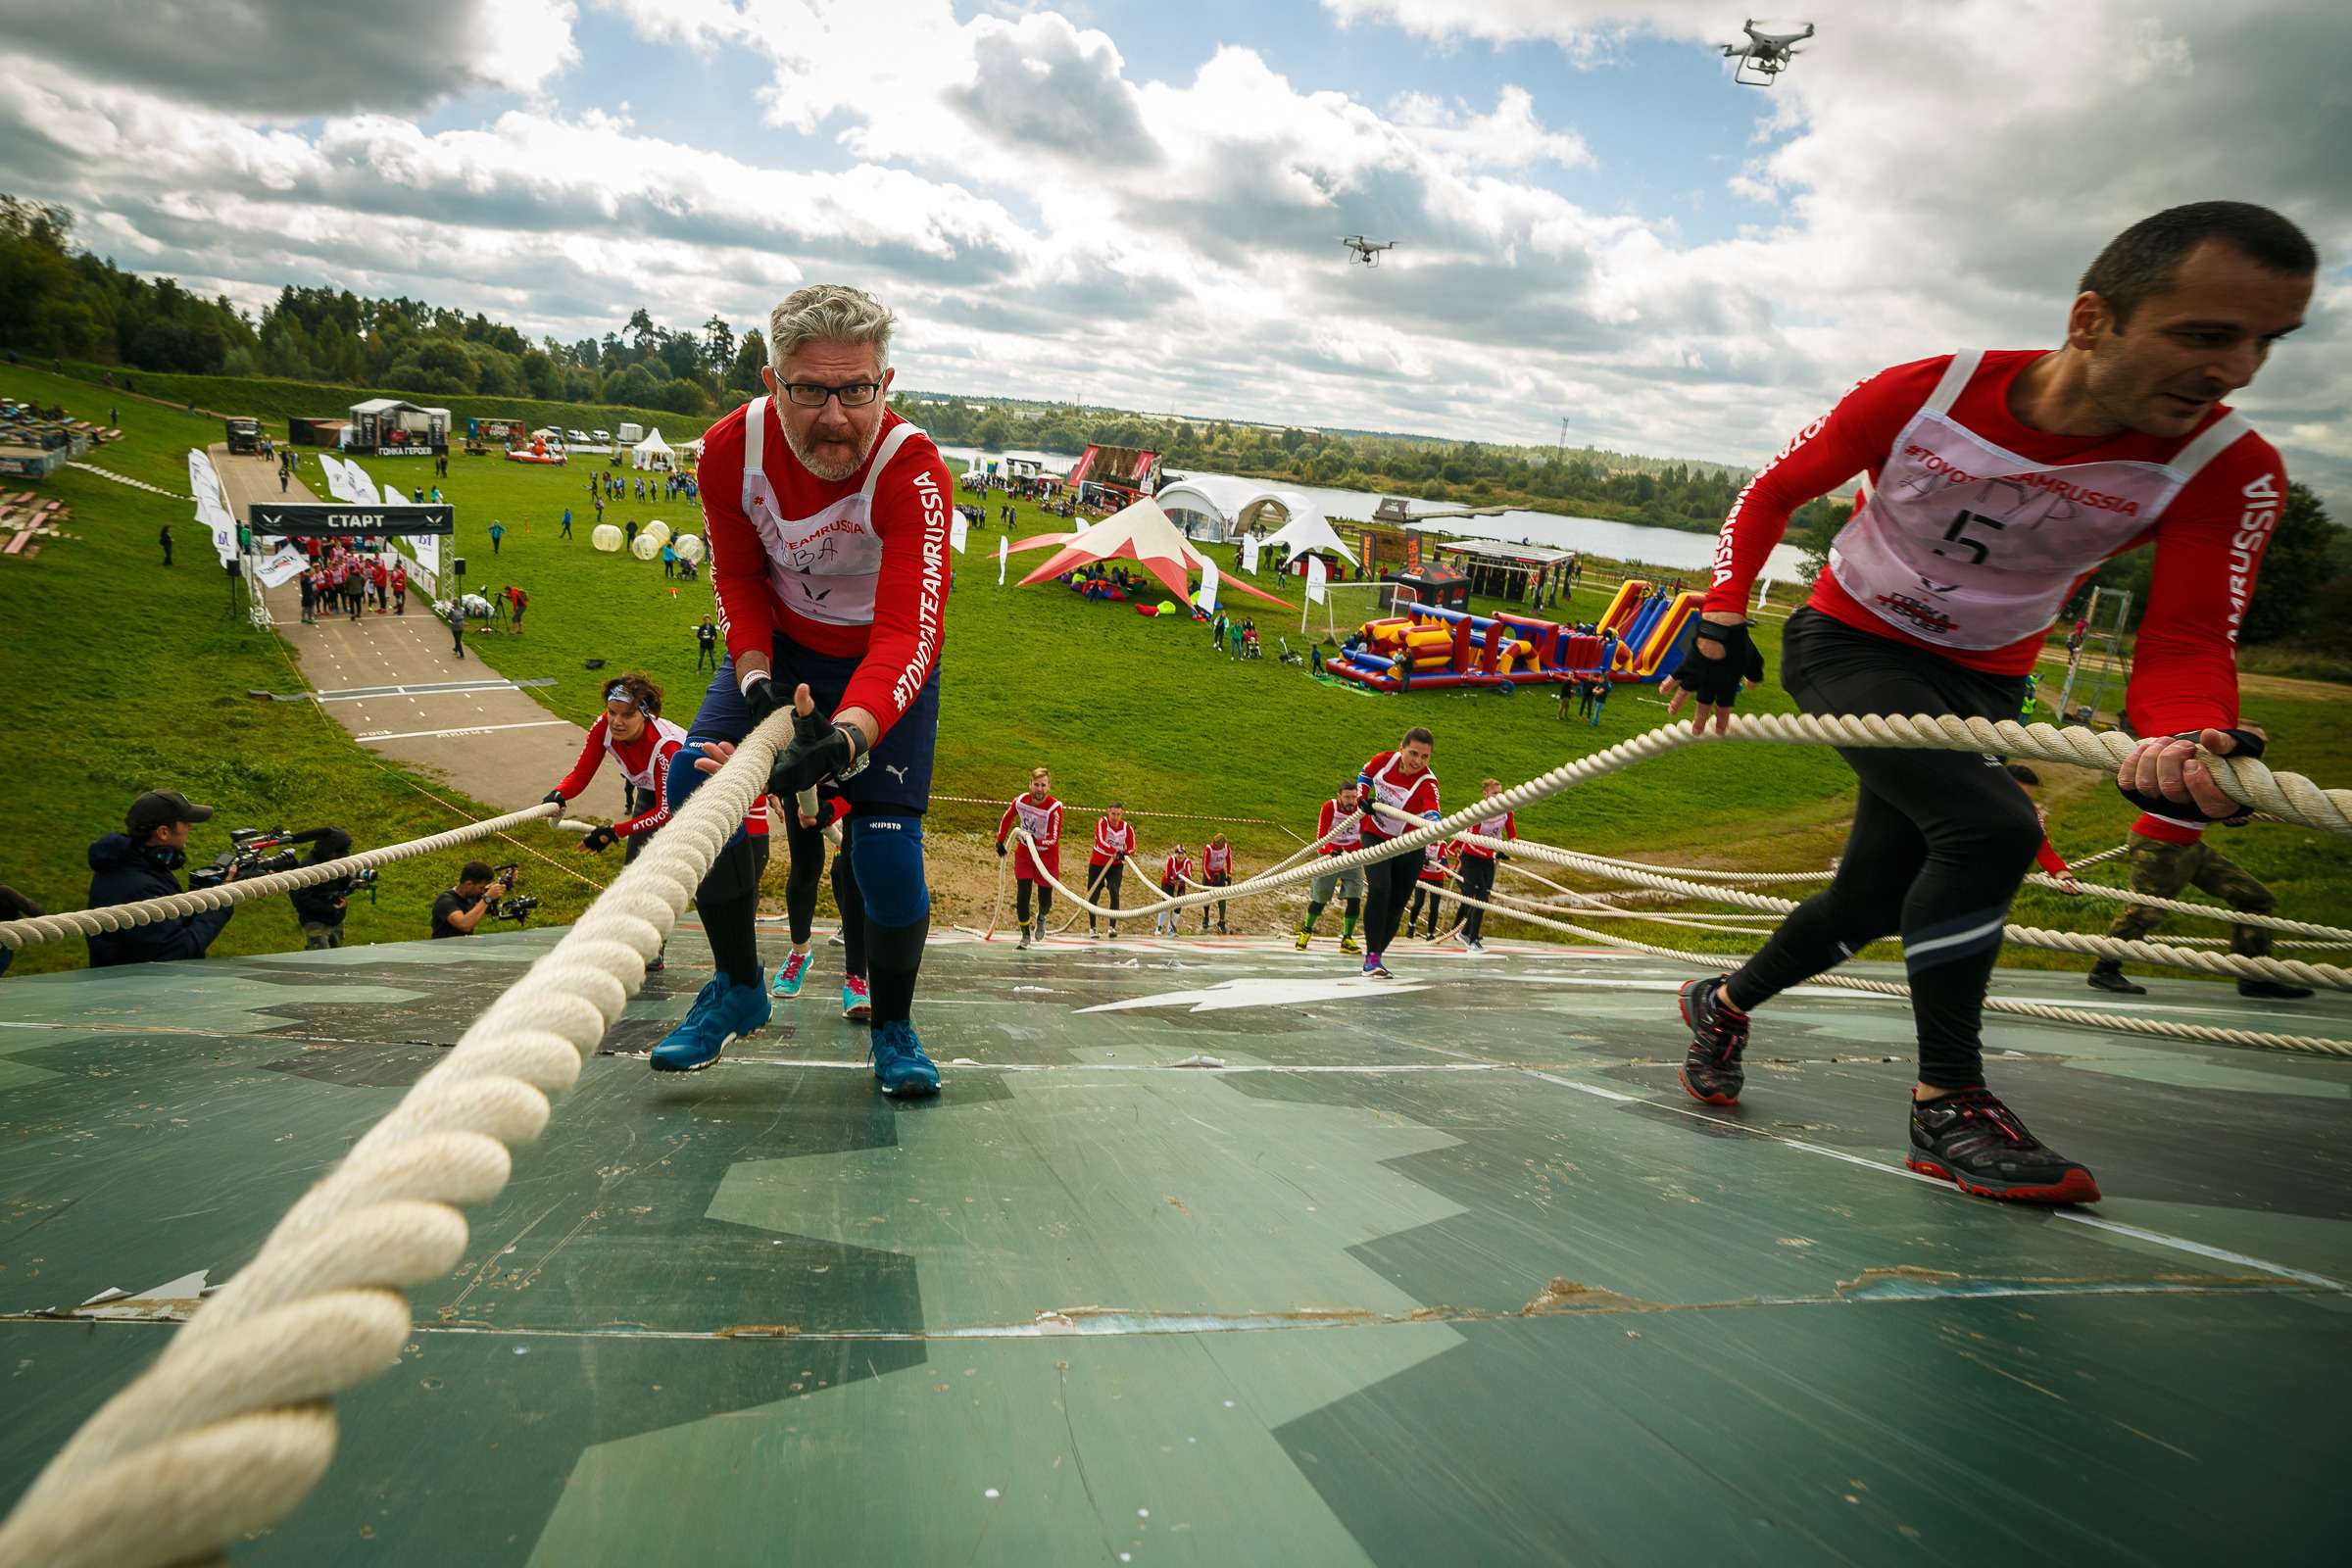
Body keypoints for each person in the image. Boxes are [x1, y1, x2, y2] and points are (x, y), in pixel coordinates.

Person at [1661, 200, 2316, 1205]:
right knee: (1991, 826)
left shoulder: (2228, 468)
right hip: (1852, 643)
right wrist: (1720, 617)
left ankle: (1723, 1000)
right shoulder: (1926, 393)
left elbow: (2186, 640)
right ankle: (1947, 1101)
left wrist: (2187, 734)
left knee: (1877, 890)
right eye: (2204, 335)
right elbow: (1773, 491)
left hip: (1984, 681)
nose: (2235, 370)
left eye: (2265, 343)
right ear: (2092, 320)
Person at [654, 282, 955, 1093]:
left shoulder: (914, 469)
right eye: (810, 391)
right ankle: (737, 987)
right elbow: (739, 578)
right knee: (694, 785)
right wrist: (755, 680)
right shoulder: (726, 451)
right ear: (770, 381)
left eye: (856, 390)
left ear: (885, 385)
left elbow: (908, 631)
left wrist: (850, 735)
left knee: (889, 857)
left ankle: (893, 1024)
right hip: (780, 654)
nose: (834, 417)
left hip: (880, 669)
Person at [2088, 753, 2312, 1001]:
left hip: (2190, 844)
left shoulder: (2232, 772)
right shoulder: (2201, 765)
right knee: (2146, 911)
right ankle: (2105, 969)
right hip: (2158, 844)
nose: (2259, 746)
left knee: (2255, 898)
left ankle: (2254, 975)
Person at [544, 673, 688, 965]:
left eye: (628, 715)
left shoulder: (666, 747)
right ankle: (643, 944)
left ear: (646, 715)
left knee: (661, 874)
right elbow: (581, 775)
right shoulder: (604, 727)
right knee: (634, 871)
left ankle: (654, 943)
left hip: (685, 796)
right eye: (612, 712)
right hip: (651, 791)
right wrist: (558, 793)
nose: (617, 722)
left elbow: (665, 812)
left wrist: (613, 831)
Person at [85, 791, 239, 967]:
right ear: (163, 832)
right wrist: (222, 901)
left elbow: (171, 925)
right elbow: (176, 952)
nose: (190, 827)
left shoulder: (133, 863)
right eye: (185, 822)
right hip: (139, 989)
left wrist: (203, 896)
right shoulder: (142, 887)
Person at [1355, 727, 1441, 979]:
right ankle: (1372, 957)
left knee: (1397, 903)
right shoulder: (1385, 760)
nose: (1418, 761)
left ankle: (1375, 958)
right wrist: (1363, 797)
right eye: (1413, 753)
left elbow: (1434, 811)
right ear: (1401, 748)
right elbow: (1365, 774)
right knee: (1380, 889)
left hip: (1409, 844)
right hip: (1375, 835)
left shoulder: (1428, 782)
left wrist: (1436, 825)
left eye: (1425, 757)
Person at [996, 766, 1063, 950]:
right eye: (1036, 785)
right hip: (1024, 853)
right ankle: (1025, 935)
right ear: (1030, 784)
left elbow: (1054, 838)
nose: (1039, 789)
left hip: (1046, 858)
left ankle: (1041, 917)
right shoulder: (1021, 801)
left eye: (1043, 785)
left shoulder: (1055, 808)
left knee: (1045, 900)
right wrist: (1000, 840)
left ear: (1048, 787)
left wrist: (1037, 840)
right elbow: (1008, 817)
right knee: (1023, 894)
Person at [1295, 781, 1366, 953]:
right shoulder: (1330, 807)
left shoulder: (1362, 809)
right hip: (1329, 855)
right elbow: (1321, 836)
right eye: (1347, 797)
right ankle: (1306, 931)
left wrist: (1361, 853)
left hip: (1352, 857)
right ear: (1339, 796)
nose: (1351, 801)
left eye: (1354, 797)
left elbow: (1365, 832)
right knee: (1320, 898)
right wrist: (1329, 851)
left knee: (1355, 898)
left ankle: (1347, 939)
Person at [1455, 779, 1515, 955]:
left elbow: (1512, 834)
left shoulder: (1506, 812)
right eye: (1495, 793)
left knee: (1484, 898)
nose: (1499, 796)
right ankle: (1472, 939)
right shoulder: (1478, 812)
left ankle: (1466, 933)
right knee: (1478, 895)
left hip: (1488, 859)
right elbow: (1472, 841)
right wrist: (1493, 853)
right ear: (1486, 794)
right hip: (1471, 857)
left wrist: (1508, 848)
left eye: (1500, 792)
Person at [287, 827, 357, 950]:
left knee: (337, 955)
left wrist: (353, 884)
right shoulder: (308, 866)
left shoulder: (335, 861)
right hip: (316, 921)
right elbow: (300, 899)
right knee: (320, 956)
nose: (340, 857)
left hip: (336, 918)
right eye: (338, 853)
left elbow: (342, 883)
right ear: (329, 850)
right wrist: (330, 907)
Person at [1087, 802, 1136, 937]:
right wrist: (1114, 850)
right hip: (1098, 863)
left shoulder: (1127, 828)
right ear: (1108, 812)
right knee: (1093, 894)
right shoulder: (1102, 822)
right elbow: (1100, 841)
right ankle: (1093, 927)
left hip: (1115, 865)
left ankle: (1112, 927)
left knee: (1114, 891)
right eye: (1113, 814)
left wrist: (1124, 853)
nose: (1115, 817)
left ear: (1122, 814)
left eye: (1118, 814)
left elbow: (1132, 847)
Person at [431, 861, 513, 938]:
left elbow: (484, 909)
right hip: (444, 950)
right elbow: (464, 925)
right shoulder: (446, 901)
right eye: (481, 887)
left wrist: (505, 882)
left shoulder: (471, 895)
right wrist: (487, 898)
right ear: (469, 884)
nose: (482, 891)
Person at [1154, 842, 1193, 936]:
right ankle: (1159, 927)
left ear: (1185, 854)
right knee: (1165, 904)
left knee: (1178, 905)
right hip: (1168, 884)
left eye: (1182, 853)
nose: (1180, 855)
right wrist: (1175, 879)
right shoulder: (1171, 860)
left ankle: (1171, 928)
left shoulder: (1187, 862)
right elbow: (1168, 874)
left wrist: (1181, 880)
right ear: (1175, 854)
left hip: (1180, 886)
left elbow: (1188, 875)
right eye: (1178, 853)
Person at [1200, 832, 1233, 933]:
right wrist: (1210, 879)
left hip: (1220, 873)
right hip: (1209, 874)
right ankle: (1206, 917)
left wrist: (1229, 874)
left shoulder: (1226, 847)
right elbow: (1204, 866)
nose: (1216, 847)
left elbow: (1229, 860)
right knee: (1206, 897)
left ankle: (1222, 921)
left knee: (1222, 898)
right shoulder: (1209, 849)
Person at [447, 593, 466, 660]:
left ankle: (462, 654)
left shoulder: (452, 610)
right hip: (461, 626)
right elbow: (464, 616)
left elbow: (448, 617)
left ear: (453, 603)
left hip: (455, 627)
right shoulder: (462, 609)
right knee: (458, 639)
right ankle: (456, 649)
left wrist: (450, 620)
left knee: (457, 640)